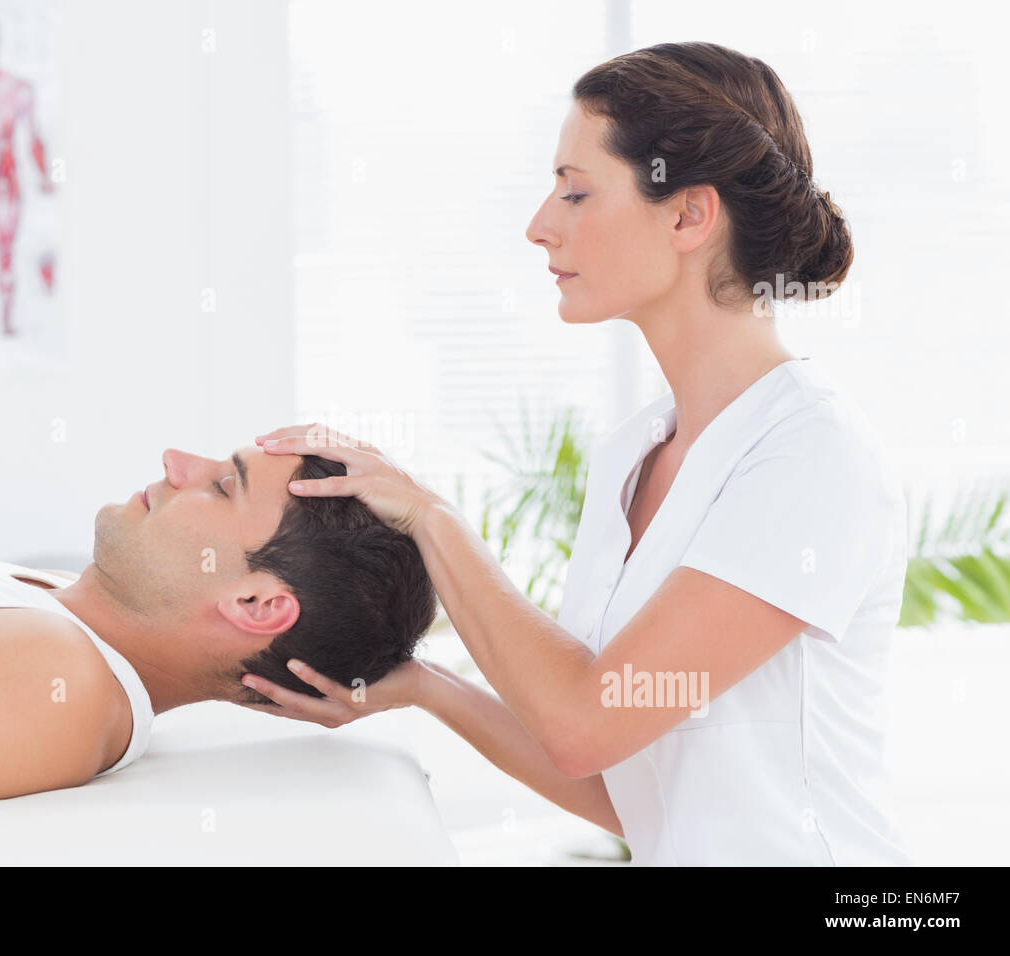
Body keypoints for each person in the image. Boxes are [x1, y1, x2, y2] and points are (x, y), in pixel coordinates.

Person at [241, 42, 912, 866]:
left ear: (688, 216)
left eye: (578, 191)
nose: (540, 224)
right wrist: (421, 686)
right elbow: (620, 781)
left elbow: (587, 722)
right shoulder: (633, 455)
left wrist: (429, 515)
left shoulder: (812, 460)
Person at [0, 445, 437, 814]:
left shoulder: (49, 684)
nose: (177, 462)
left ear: (254, 605)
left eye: (222, 484)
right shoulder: (60, 606)